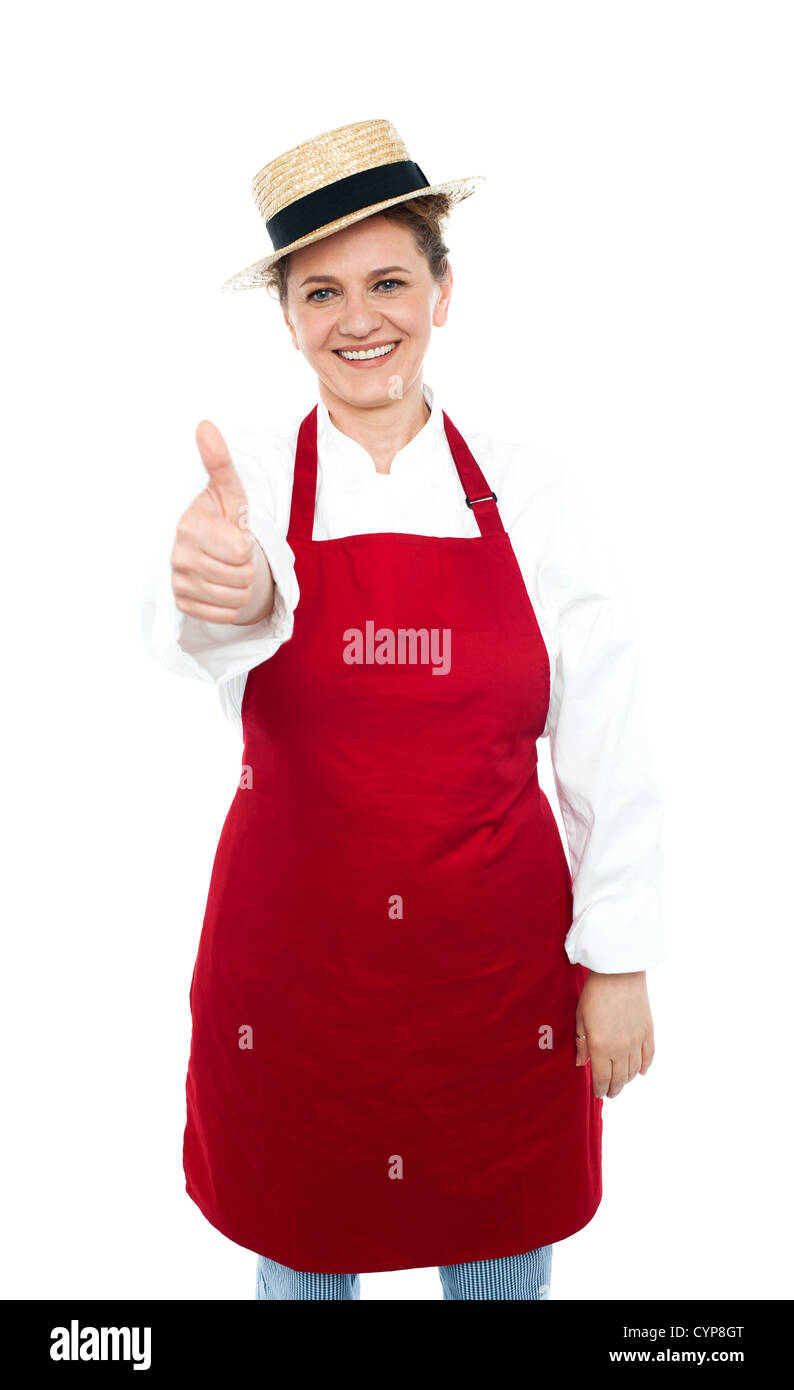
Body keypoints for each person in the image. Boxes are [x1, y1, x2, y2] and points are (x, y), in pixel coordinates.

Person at [142, 118, 665, 1301]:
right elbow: (198, 629)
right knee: (303, 1236)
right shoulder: (254, 494)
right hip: (295, 980)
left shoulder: (531, 489)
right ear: (286, 318)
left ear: (443, 291)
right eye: (319, 291)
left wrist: (618, 957)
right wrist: (208, 589)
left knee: (496, 1234)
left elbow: (605, 730)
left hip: (495, 976)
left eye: (388, 279)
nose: (357, 317)